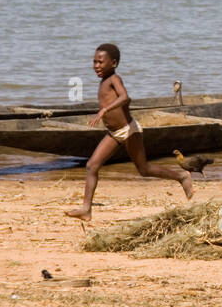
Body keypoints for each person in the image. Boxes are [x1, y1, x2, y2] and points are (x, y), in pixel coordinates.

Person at [65, 44, 193, 222]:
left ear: (114, 63)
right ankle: (86, 209)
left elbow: (125, 97)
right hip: (114, 132)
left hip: (129, 130)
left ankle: (181, 176)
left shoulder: (114, 79)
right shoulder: (103, 82)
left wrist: (104, 111)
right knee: (91, 165)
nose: (96, 65)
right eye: (94, 61)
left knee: (144, 169)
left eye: (101, 62)